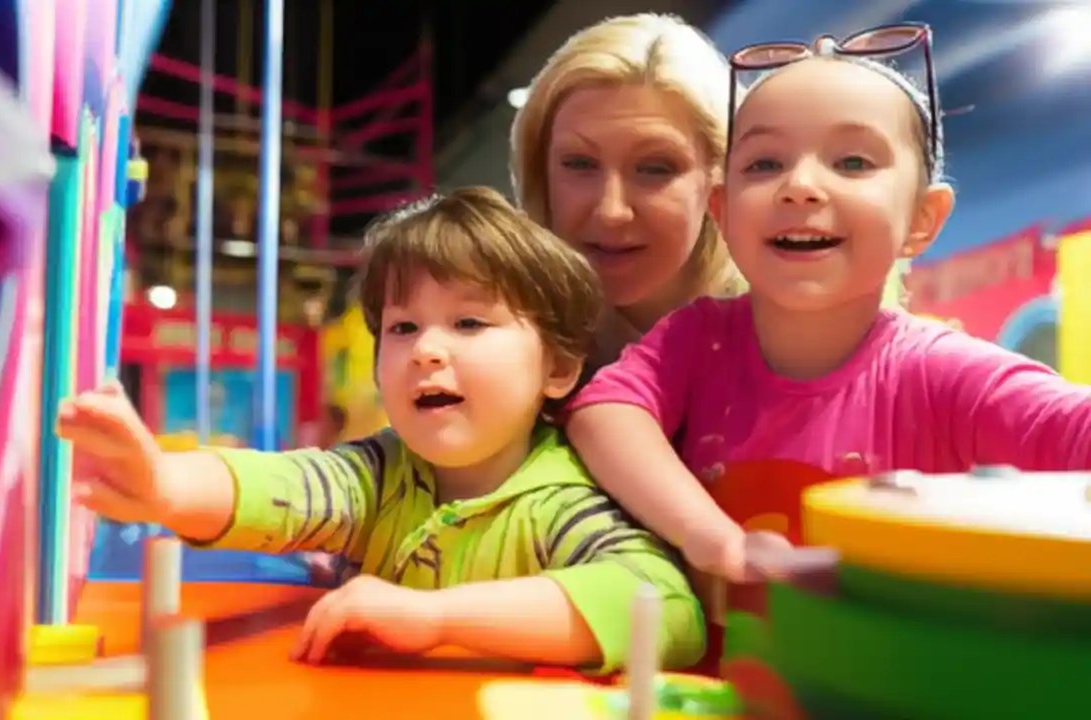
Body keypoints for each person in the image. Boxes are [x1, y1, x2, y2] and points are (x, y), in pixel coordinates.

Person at [563, 26, 1091, 661]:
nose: (801, 186)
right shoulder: (696, 340)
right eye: (765, 163)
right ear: (724, 211)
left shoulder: (946, 375)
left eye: (853, 162)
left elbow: (1071, 429)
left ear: (922, 219)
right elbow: (602, 413)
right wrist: (717, 542)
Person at [58, 186, 705, 674]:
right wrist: (163, 482)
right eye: (402, 327)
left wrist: (435, 617)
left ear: (559, 367)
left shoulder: (564, 502)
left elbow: (665, 606)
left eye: (469, 323)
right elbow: (283, 483)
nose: (426, 349)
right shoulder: (378, 475)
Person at [510, 13, 745, 370]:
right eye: (579, 164)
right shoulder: (500, 362)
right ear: (539, 172)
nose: (611, 210)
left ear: (722, 177)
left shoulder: (808, 343)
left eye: (655, 169)